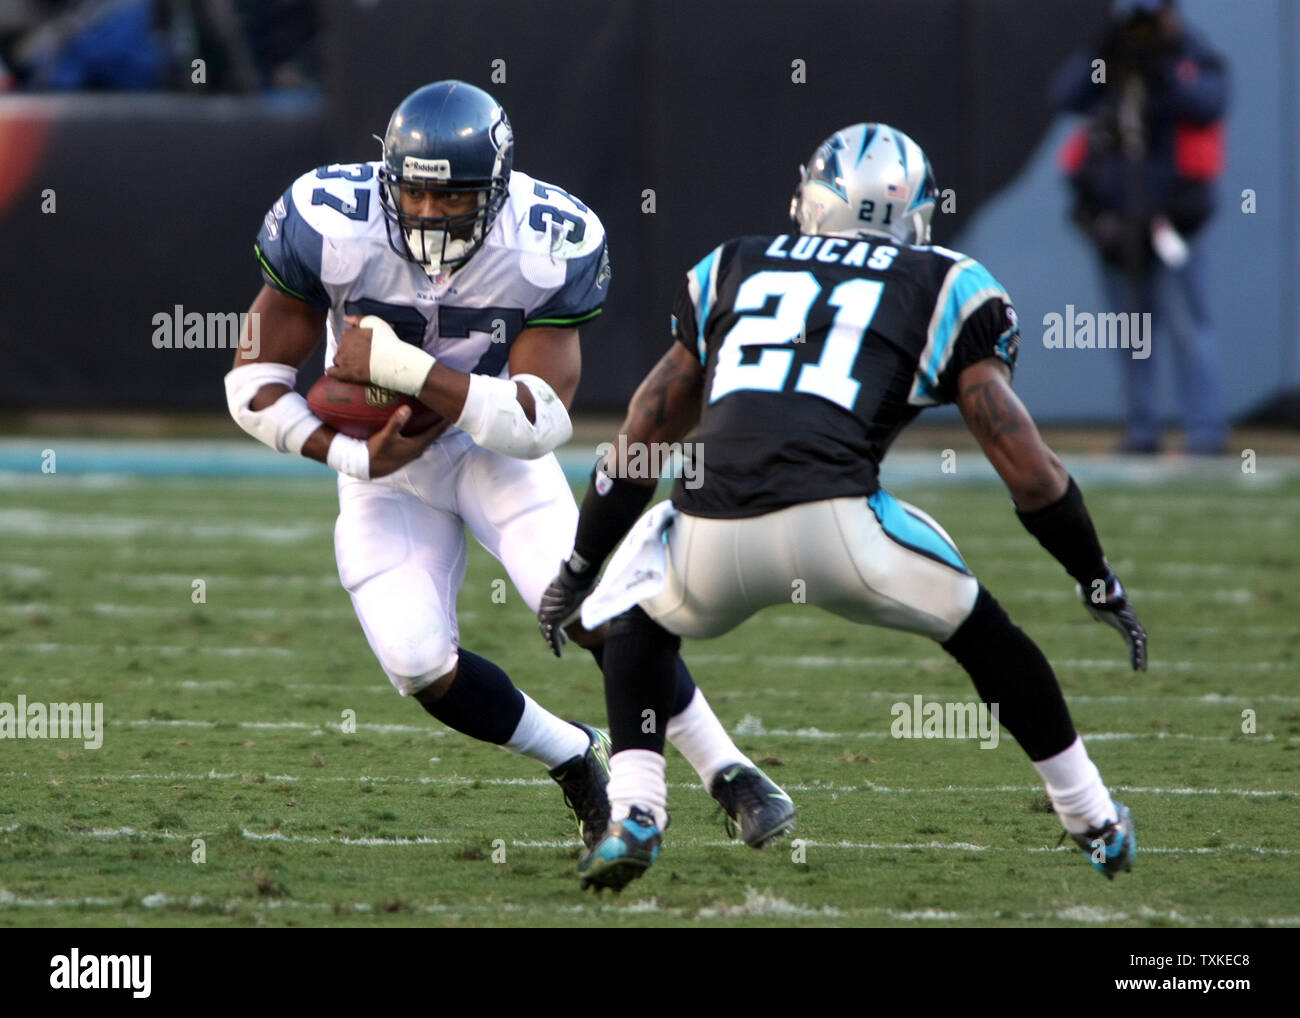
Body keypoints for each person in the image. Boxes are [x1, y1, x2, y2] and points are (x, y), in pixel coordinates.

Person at [539, 123, 1149, 892]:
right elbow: (1029, 469)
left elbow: (643, 434)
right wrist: (1096, 578)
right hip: (844, 533)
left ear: (811, 198)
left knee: (631, 607)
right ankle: (1092, 817)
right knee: (986, 635)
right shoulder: (946, 281)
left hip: (710, 531)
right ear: (915, 214)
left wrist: (579, 566)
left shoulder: (733, 263)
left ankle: (635, 812)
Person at [224, 79, 786, 851]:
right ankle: (570, 755)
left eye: (452, 199)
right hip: (386, 468)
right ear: (386, 180)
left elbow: (537, 422)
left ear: (496, 190)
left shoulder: (547, 239)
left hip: (493, 451)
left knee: (599, 612)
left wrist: (404, 368)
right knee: (418, 663)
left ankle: (730, 772)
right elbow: (251, 384)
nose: (427, 215)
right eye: (413, 195)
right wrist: (355, 451)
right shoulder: (329, 220)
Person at [1051, 0, 1229, 454]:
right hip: (1117, 220)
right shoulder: (1110, 62)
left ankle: (1205, 434)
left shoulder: (1193, 55)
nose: (1145, 29)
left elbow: (1209, 102)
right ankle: (1143, 429)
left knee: (1191, 327)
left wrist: (1165, 63)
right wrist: (1101, 52)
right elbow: (1065, 96)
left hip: (1175, 222)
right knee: (1133, 331)